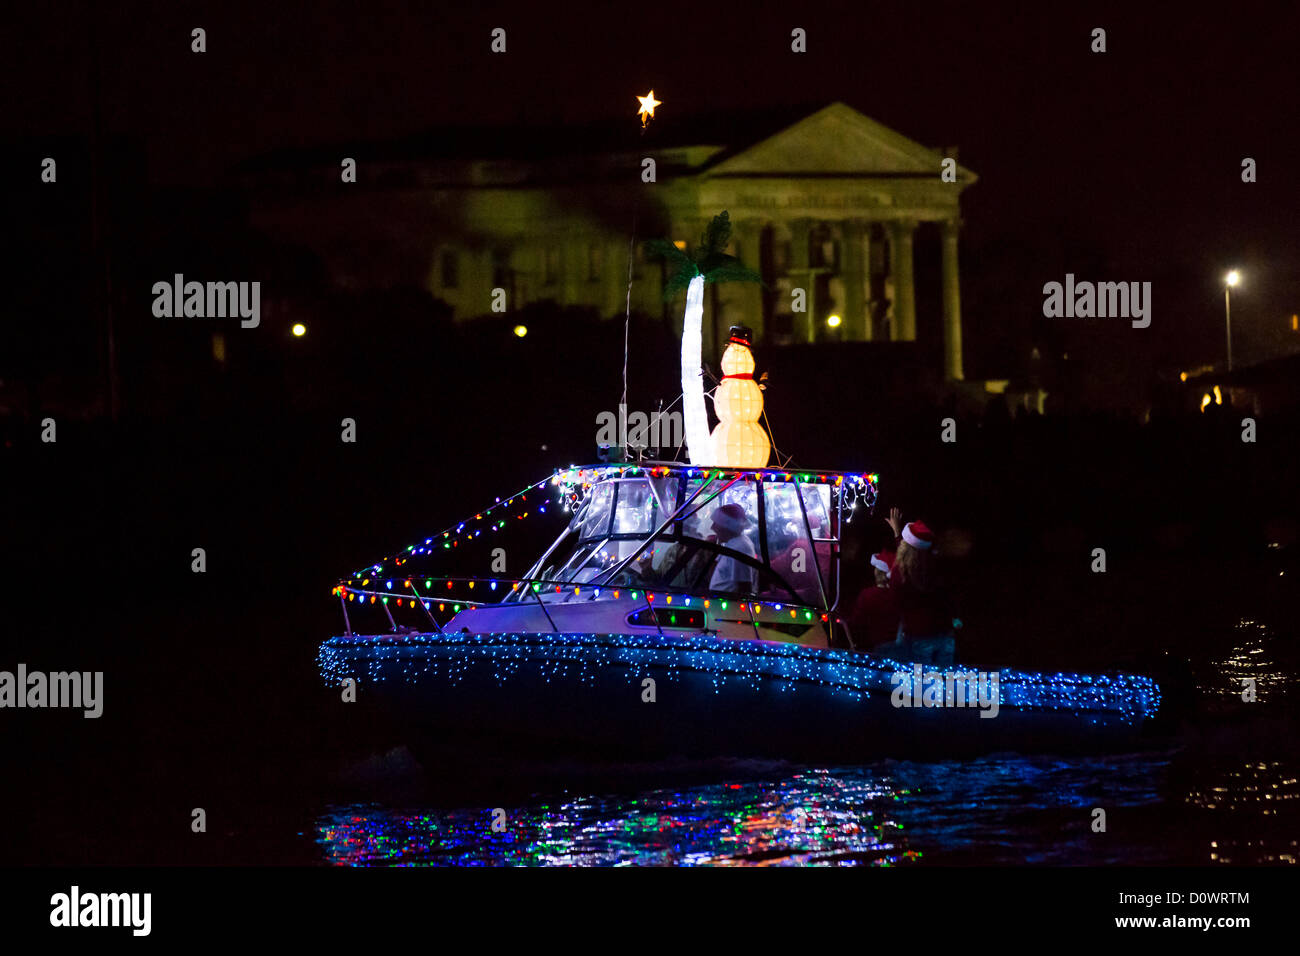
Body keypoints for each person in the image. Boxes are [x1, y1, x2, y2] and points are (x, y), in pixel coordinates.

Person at [887, 519, 957, 665]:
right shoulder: (938, 566)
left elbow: (895, 602)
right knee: (944, 681)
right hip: (945, 633)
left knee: (921, 683)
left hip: (918, 635)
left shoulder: (900, 573)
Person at [849, 549, 900, 649]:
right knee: (918, 664)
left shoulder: (867, 594)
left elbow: (857, 622)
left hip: (871, 647)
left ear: (877, 572)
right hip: (897, 647)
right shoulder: (898, 595)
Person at [707, 502, 758, 594]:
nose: (712, 527)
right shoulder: (732, 543)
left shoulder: (740, 548)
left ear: (727, 526)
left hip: (727, 605)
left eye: (716, 523)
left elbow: (744, 587)